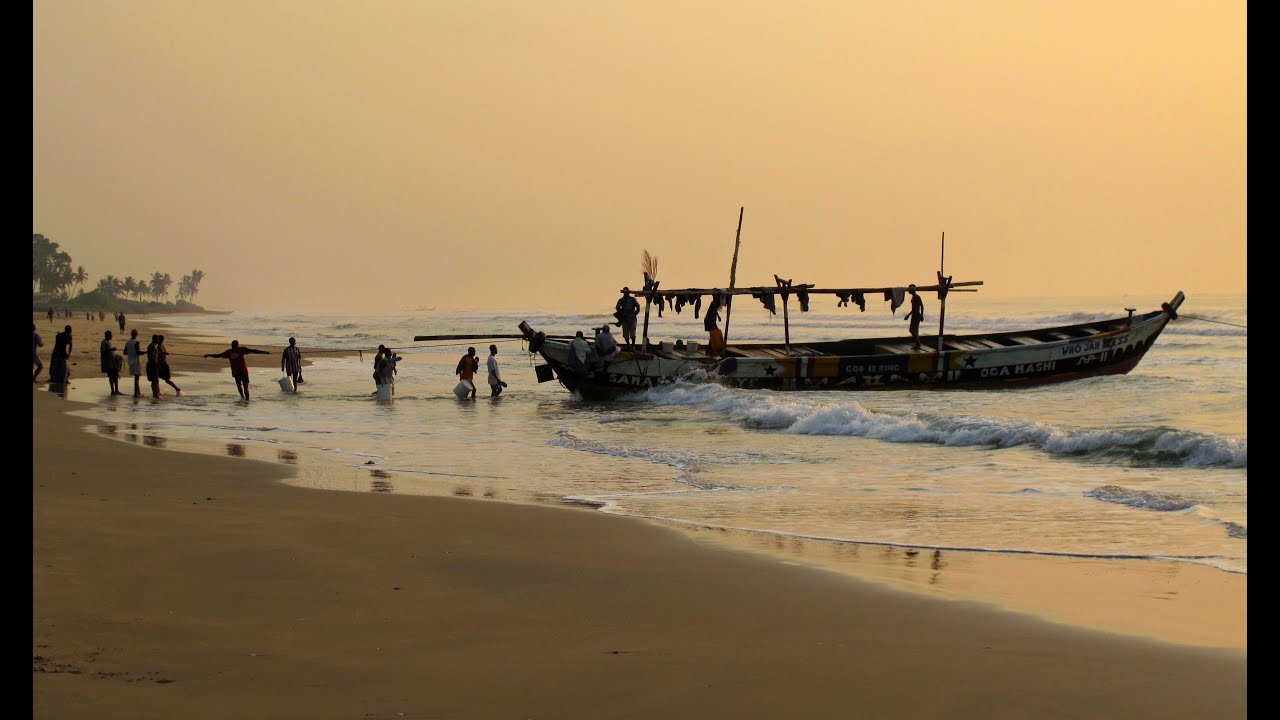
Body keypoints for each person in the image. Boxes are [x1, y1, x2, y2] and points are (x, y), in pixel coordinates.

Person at [203, 340, 269, 400]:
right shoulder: (241, 349)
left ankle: (242, 397)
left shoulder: (229, 352)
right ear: (237, 345)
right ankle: (247, 400)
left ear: (232, 345)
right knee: (245, 387)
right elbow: (254, 351)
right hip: (243, 371)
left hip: (236, 372)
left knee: (239, 386)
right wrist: (265, 352)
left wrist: (208, 355)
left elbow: (218, 355)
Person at [124, 328, 145, 397]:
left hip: (130, 361)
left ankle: (138, 392)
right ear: (136, 334)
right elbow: (138, 352)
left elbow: (125, 352)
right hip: (136, 361)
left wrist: (130, 351)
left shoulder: (128, 342)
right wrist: (146, 352)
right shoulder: (136, 342)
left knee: (136, 378)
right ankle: (136, 393)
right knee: (137, 379)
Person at [100, 330, 122, 395]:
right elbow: (103, 351)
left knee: (115, 375)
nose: (111, 336)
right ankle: (112, 390)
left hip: (112, 362)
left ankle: (117, 390)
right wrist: (111, 349)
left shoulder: (108, 342)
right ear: (107, 335)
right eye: (110, 335)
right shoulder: (104, 342)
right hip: (108, 363)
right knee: (111, 376)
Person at [904, 284, 925, 351]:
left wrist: (921, 315)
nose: (908, 291)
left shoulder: (917, 297)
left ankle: (918, 344)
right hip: (914, 315)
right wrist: (909, 315)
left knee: (912, 330)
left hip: (916, 315)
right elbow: (913, 308)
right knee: (915, 330)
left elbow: (921, 305)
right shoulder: (913, 297)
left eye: (910, 289)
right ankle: (917, 344)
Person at [704, 291, 725, 355]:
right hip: (709, 321)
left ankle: (710, 349)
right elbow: (712, 313)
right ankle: (714, 348)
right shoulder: (715, 303)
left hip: (709, 321)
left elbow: (714, 312)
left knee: (713, 334)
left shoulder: (714, 303)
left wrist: (718, 316)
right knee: (716, 333)